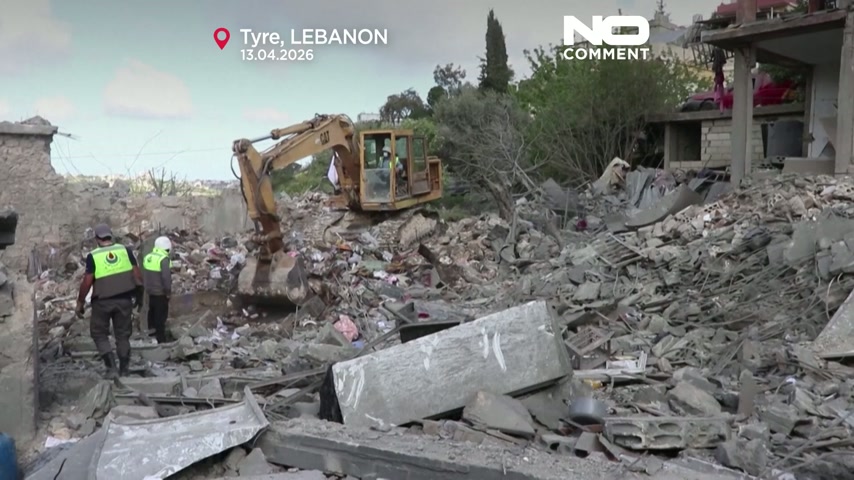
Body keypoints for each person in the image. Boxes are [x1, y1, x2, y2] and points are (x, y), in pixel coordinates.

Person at [75, 223, 143, 378]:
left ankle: (111, 368)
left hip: (102, 302)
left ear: (97, 239)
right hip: (124, 299)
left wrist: (80, 303)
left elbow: (87, 282)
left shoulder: (93, 256)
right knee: (122, 335)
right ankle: (124, 369)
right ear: (111, 236)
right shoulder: (125, 251)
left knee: (99, 334)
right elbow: (137, 276)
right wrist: (139, 296)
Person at [142, 236, 173, 344]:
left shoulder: (149, 257)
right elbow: (166, 277)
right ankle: (161, 341)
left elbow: (145, 274)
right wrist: (168, 292)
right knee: (160, 318)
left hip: (150, 292)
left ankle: (151, 336)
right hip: (161, 293)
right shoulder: (163, 259)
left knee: (151, 314)